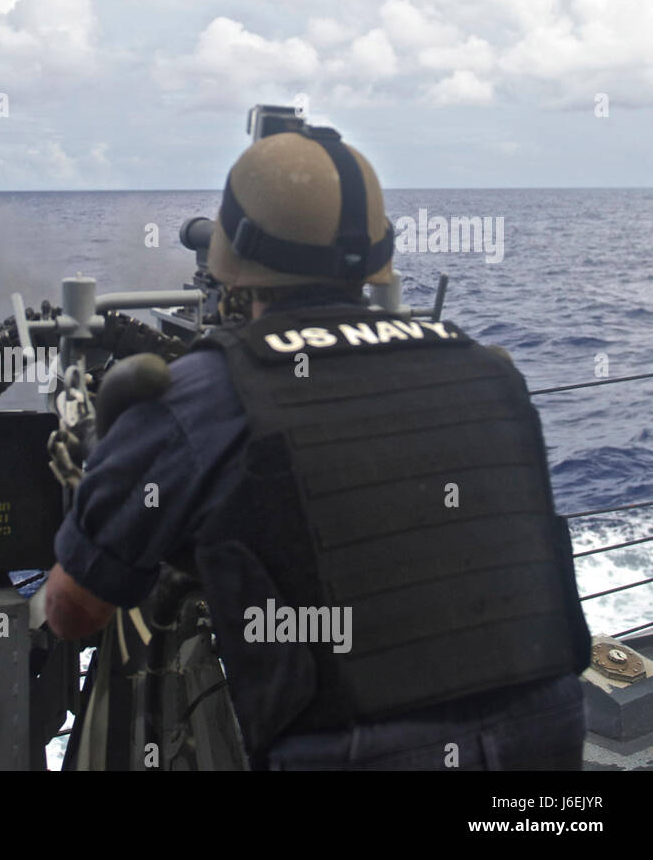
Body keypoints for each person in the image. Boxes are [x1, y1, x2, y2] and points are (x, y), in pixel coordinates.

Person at [43, 125, 592, 770]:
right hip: (549, 744)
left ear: (230, 260)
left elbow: (73, 613)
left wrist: (104, 479)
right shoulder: (491, 371)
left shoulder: (209, 392)